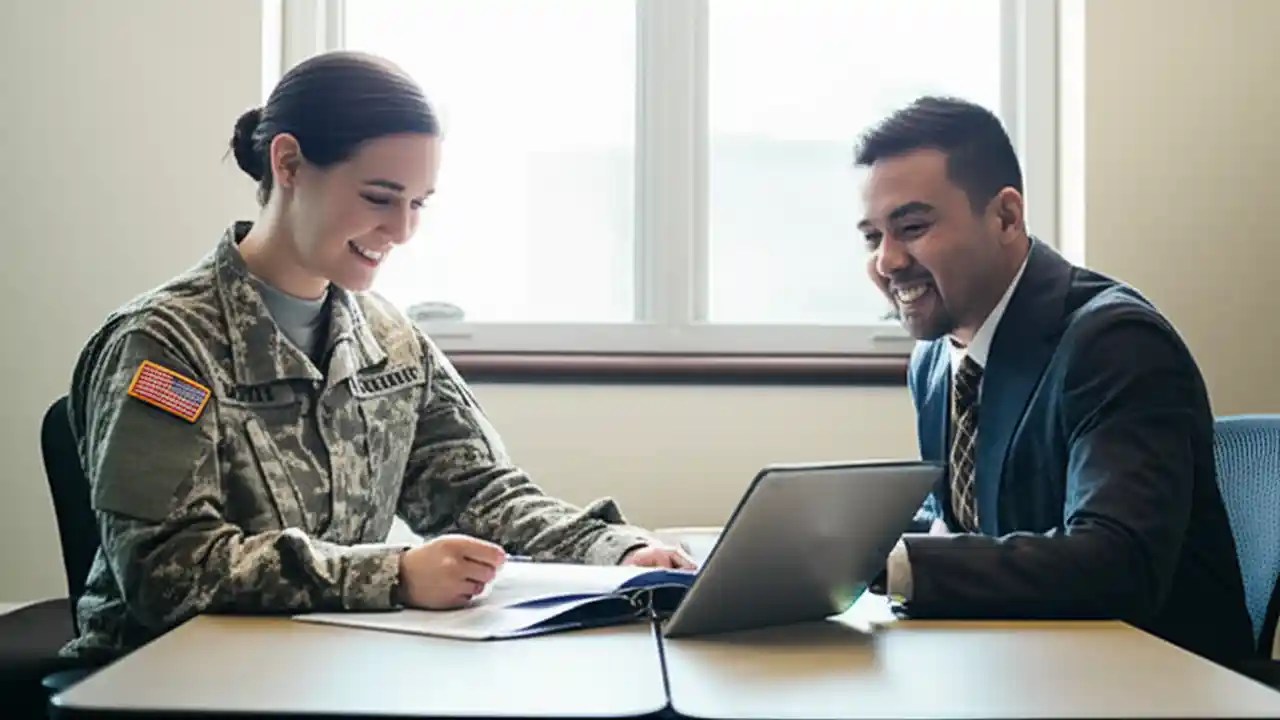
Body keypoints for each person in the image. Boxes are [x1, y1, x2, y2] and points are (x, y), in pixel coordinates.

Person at [61, 50, 691, 663]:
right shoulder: (166, 344)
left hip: (327, 670)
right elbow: (166, 571)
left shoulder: (391, 340)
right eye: (379, 197)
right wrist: (394, 575)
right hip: (166, 681)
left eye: (417, 203)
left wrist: (615, 551)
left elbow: (478, 492)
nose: (403, 230)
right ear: (288, 163)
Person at [856, 96, 1253, 663]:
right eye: (873, 237)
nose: (888, 261)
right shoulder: (935, 359)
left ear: (1006, 217)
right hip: (1019, 666)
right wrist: (837, 544)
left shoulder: (1115, 344)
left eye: (912, 227)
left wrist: (897, 564)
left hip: (1152, 680)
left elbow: (1118, 561)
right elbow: (975, 522)